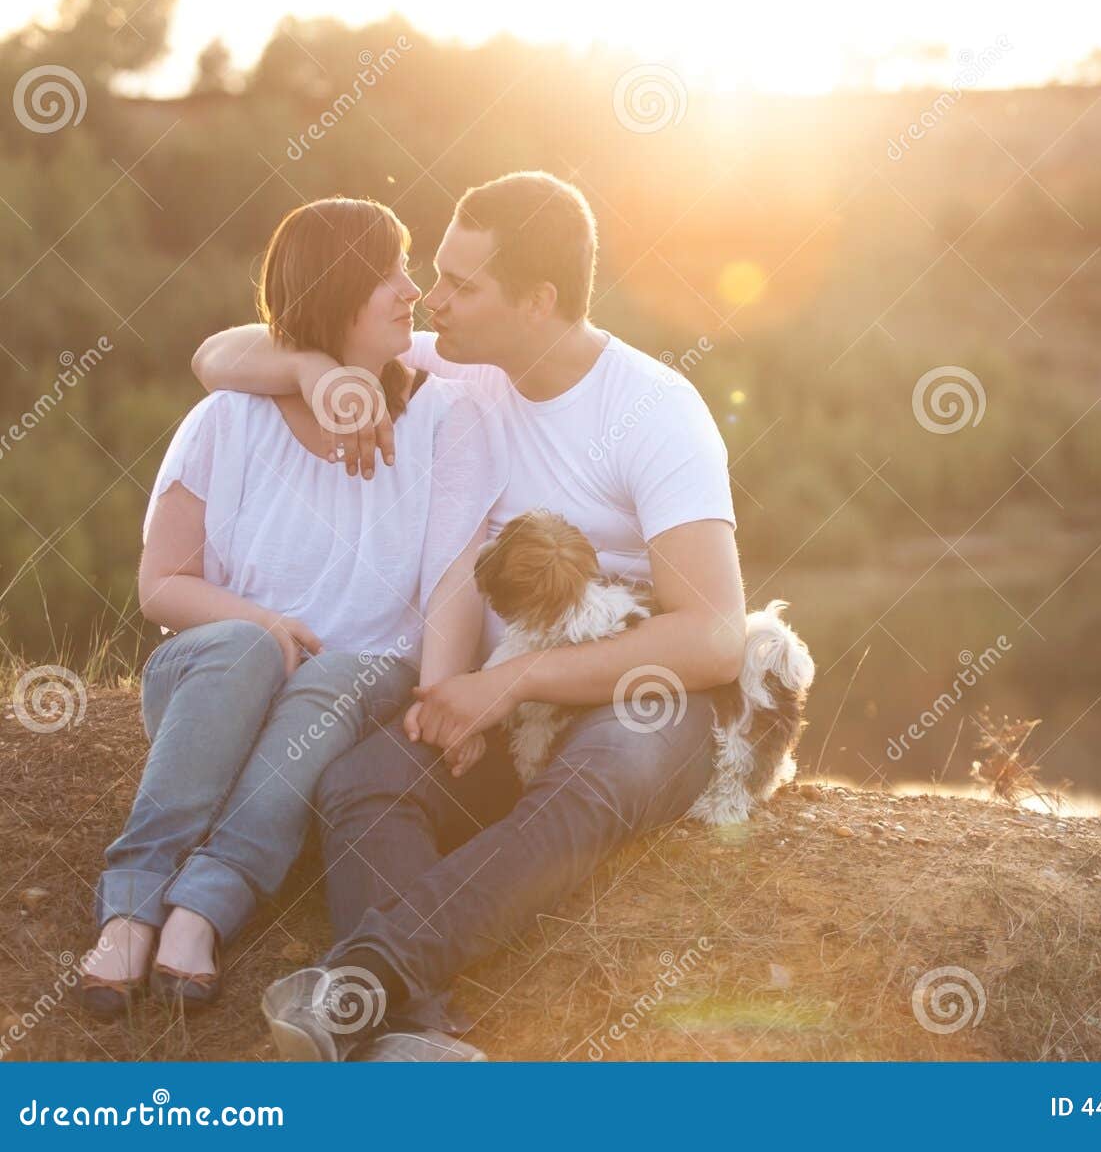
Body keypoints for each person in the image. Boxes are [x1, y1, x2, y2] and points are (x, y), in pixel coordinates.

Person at [190, 171, 746, 1061]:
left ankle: (365, 980)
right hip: (495, 706)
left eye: (461, 285)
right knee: (363, 783)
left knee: (597, 769)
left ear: (538, 301)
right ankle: (417, 1040)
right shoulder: (462, 366)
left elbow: (715, 634)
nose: (431, 299)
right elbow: (217, 355)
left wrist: (513, 681)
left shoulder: (656, 411)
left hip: (640, 695)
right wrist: (309, 365)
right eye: (434, 275)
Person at [79, 198, 501, 1030]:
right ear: (336, 288)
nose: (411, 290)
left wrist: (446, 695)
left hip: (357, 684)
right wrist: (264, 628)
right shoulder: (226, 418)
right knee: (240, 645)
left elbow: (456, 581)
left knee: (341, 672)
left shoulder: (448, 418)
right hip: (216, 683)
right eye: (389, 272)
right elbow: (161, 585)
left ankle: (203, 906)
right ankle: (129, 907)